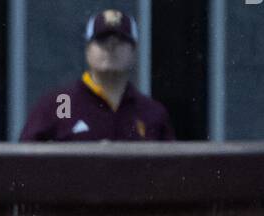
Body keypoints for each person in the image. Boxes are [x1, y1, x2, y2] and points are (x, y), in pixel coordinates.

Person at [20, 9, 174, 142]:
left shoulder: (150, 112)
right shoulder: (61, 104)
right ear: (87, 50)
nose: (111, 48)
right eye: (102, 41)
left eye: (120, 41)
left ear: (134, 52)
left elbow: (171, 165)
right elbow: (25, 161)